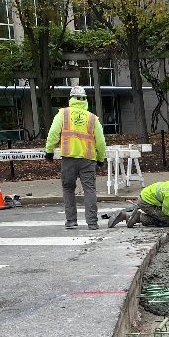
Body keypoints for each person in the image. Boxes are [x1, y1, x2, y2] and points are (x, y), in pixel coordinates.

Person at [44, 85, 107, 230]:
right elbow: (101, 142)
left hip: (68, 158)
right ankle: (92, 223)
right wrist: (101, 158)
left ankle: (71, 220)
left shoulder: (63, 114)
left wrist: (49, 151)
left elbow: (53, 133)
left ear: (71, 98)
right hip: (88, 159)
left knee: (68, 188)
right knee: (89, 189)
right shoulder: (92, 118)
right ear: (85, 99)